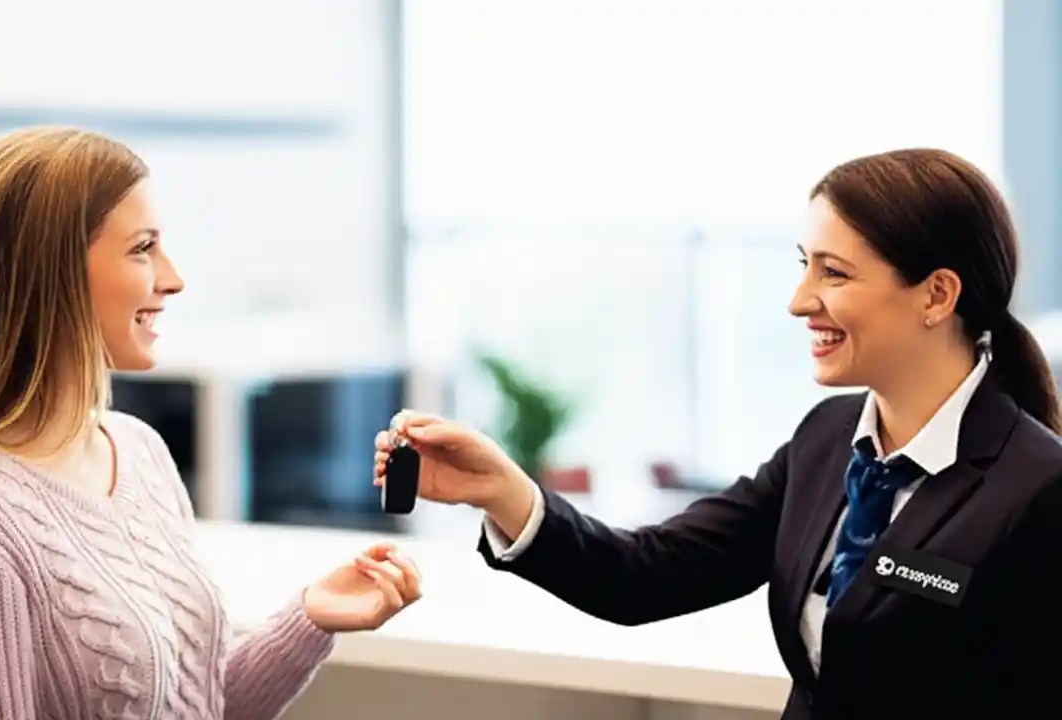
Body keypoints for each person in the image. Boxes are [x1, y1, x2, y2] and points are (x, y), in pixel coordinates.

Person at [375, 148, 1062, 719]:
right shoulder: (827, 442)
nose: (799, 301)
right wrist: (503, 492)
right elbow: (646, 575)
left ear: (937, 295)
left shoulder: (1037, 490)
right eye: (805, 265)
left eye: (835, 273)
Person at [0, 126, 422, 720]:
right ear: (55, 270)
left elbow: (197, 705)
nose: (173, 278)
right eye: (142, 248)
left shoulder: (137, 449)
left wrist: (309, 618)